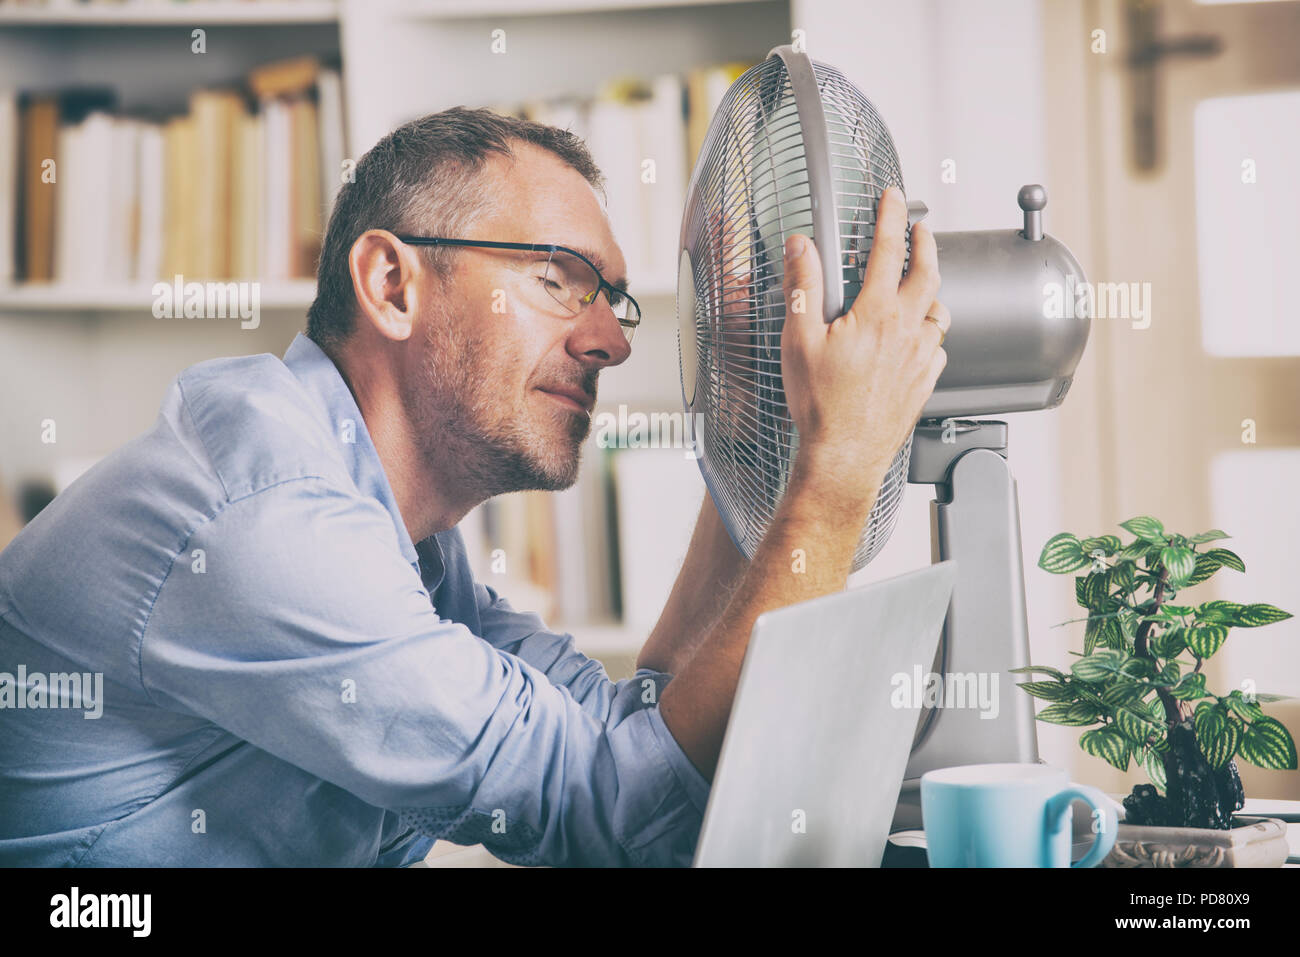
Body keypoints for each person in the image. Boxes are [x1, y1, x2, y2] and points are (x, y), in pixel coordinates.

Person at [0, 107, 948, 866]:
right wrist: (833, 475)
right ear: (392, 283)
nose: (614, 340)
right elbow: (614, 819)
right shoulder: (270, 520)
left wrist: (756, 430)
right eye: (558, 278)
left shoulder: (404, 540)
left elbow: (636, 736)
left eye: (613, 300)